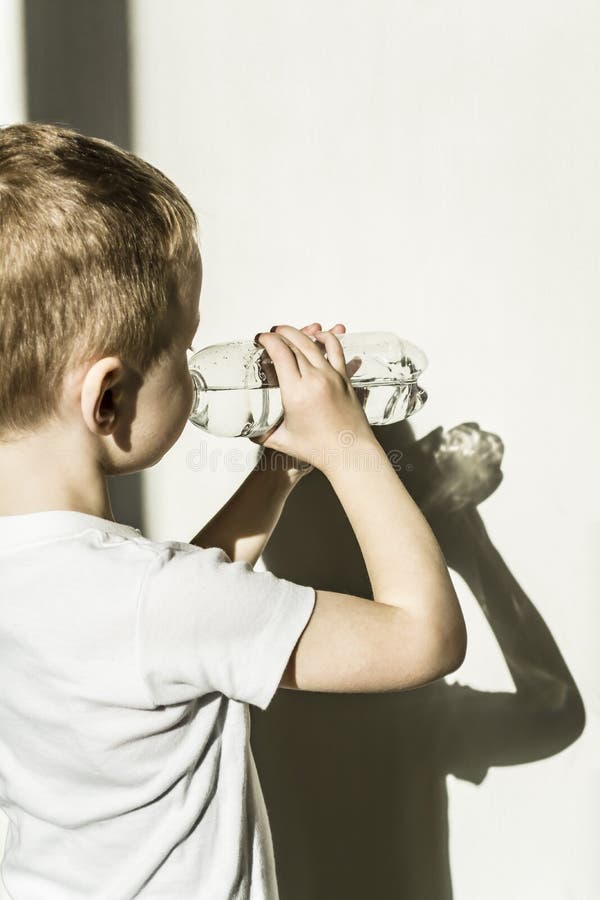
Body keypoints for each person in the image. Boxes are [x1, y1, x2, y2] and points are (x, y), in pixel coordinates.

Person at [0, 122, 467, 900]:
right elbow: (425, 638)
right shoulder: (159, 602)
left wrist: (280, 469)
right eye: (182, 349)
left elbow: (163, 628)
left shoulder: (87, 587)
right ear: (109, 396)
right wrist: (351, 443)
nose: (194, 364)